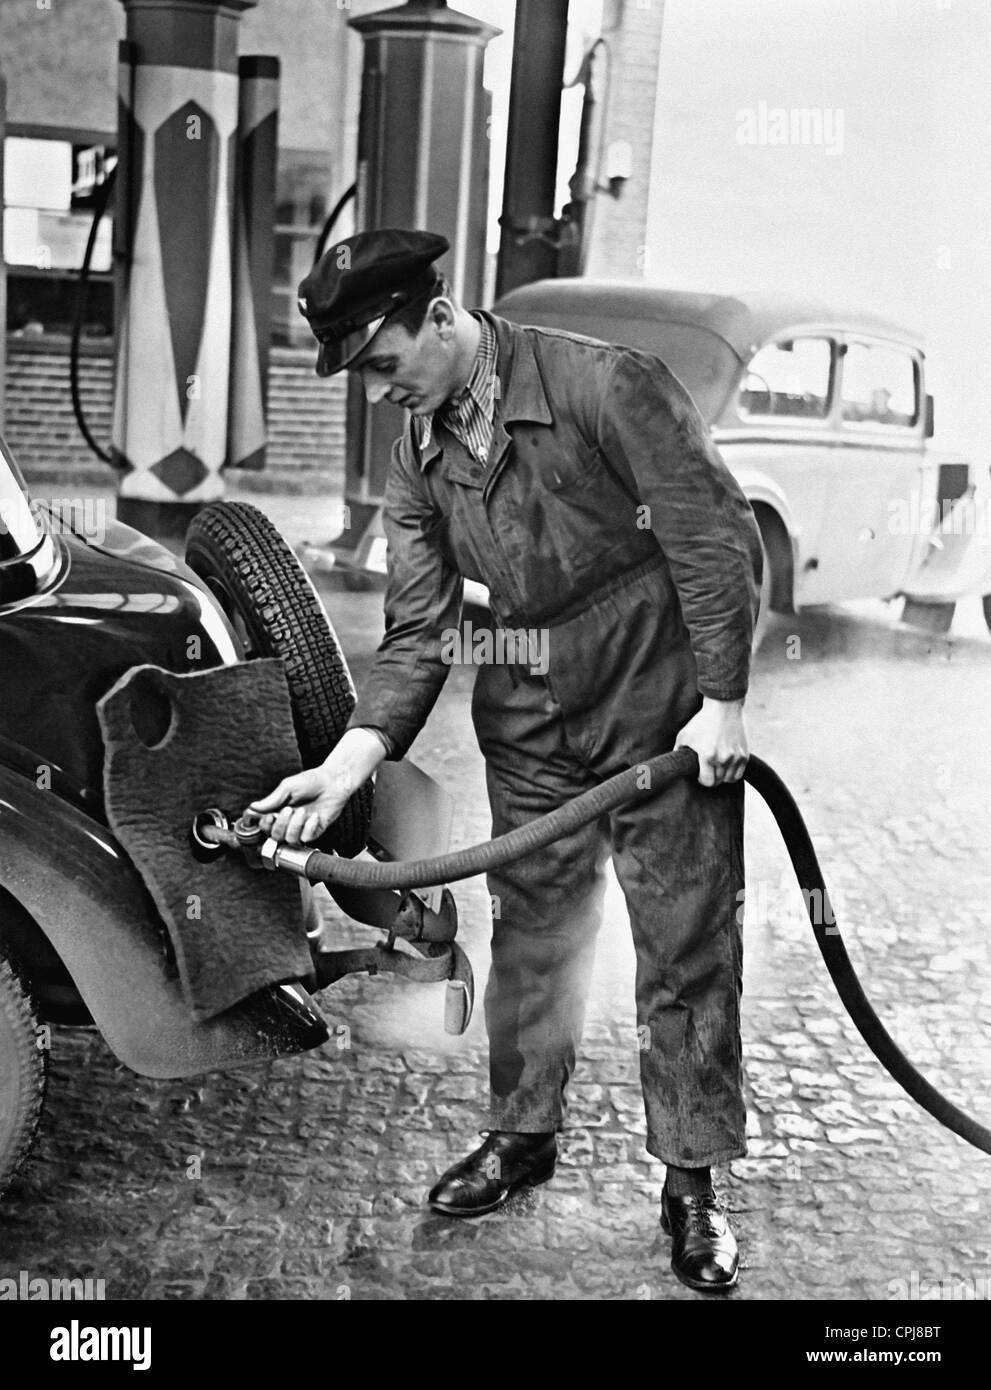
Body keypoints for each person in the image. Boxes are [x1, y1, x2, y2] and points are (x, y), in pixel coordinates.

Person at [251, 228, 763, 1292]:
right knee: (535, 932)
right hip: (528, 712)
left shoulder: (606, 387)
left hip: (655, 701)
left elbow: (715, 539)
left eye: (383, 363)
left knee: (683, 946)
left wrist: (720, 703)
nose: (380, 391)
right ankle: (522, 1136)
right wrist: (352, 759)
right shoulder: (419, 455)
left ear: (439, 319)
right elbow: (417, 630)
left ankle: (691, 1184)